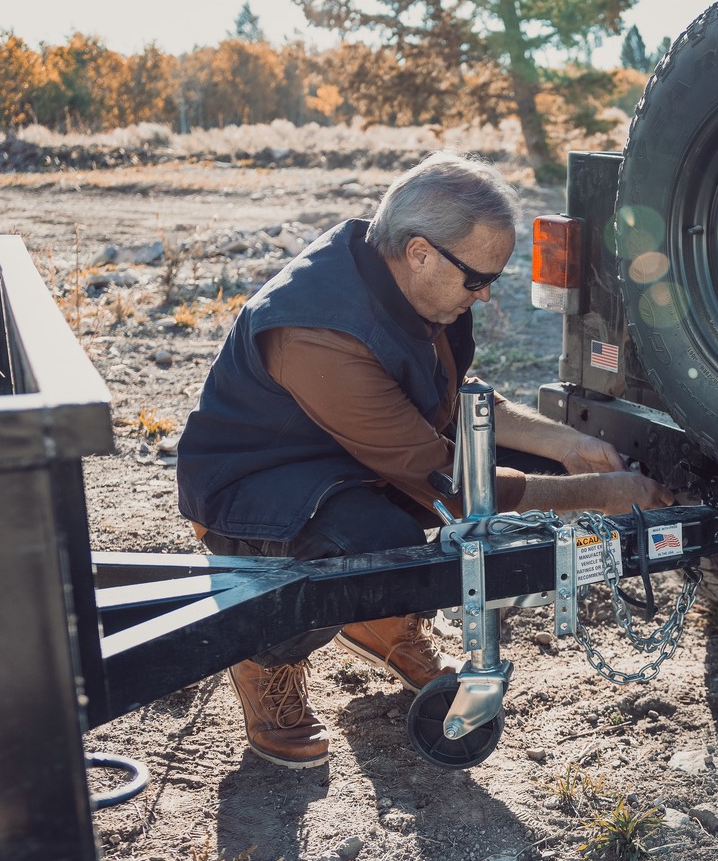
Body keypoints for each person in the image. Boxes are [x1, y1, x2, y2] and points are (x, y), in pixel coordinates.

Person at [176, 151, 671, 767]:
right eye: (477, 279)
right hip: (256, 492)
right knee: (376, 541)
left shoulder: (408, 285)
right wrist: (597, 494)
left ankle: (376, 622)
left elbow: (458, 403)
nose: (485, 297)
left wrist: (569, 447)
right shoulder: (319, 333)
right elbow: (446, 483)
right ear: (419, 252)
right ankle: (264, 645)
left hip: (349, 460)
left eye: (493, 279)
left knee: (526, 470)